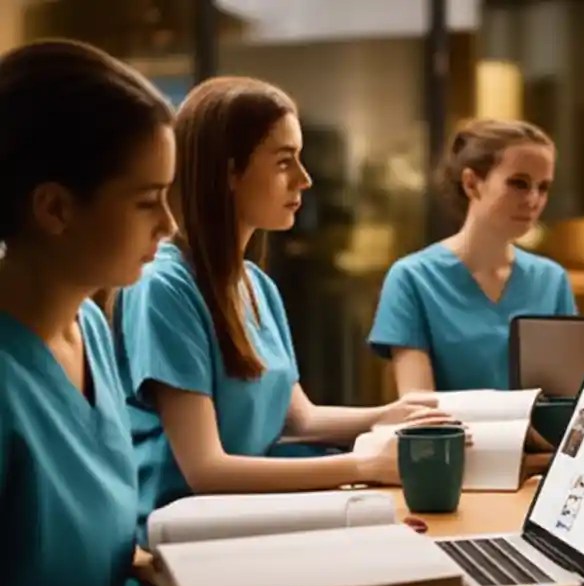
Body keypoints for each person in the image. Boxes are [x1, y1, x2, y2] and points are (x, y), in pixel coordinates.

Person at [113, 77, 448, 528]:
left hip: (245, 511)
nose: (305, 180)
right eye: (285, 162)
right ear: (228, 171)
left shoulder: (255, 285)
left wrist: (388, 417)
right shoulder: (164, 287)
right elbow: (206, 469)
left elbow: (302, 419)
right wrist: (362, 466)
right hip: (187, 528)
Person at [0, 39, 174, 586]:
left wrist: (163, 572)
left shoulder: (92, 328)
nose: (170, 223)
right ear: (55, 209)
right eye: (146, 201)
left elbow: (66, 543)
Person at [368, 119, 576, 393]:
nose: (533, 199)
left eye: (543, 187)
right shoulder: (412, 278)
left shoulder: (552, 280)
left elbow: (565, 395)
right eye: (519, 183)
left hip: (537, 438)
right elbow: (418, 408)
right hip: (451, 436)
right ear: (471, 183)